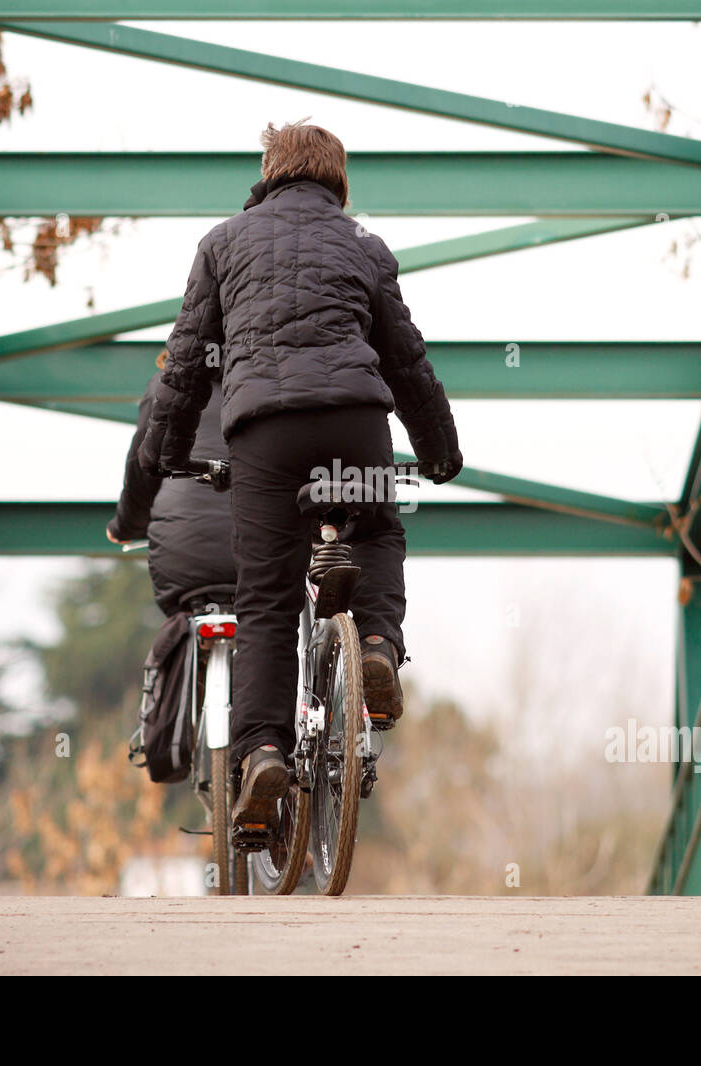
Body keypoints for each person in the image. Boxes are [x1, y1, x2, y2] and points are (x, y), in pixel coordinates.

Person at [138, 120, 462, 834]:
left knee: (265, 596)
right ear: (338, 181)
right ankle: (376, 647)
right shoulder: (364, 249)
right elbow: (408, 362)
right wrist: (439, 451)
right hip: (355, 420)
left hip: (264, 434)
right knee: (375, 530)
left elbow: (187, 361)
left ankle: (260, 753)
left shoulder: (222, 245)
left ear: (268, 173)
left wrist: (164, 451)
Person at [106, 350, 235, 616]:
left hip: (182, 552)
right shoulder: (267, 383)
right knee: (270, 623)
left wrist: (126, 527)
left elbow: (142, 472)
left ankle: (180, 651)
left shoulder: (164, 385)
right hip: (260, 546)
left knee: (181, 624)